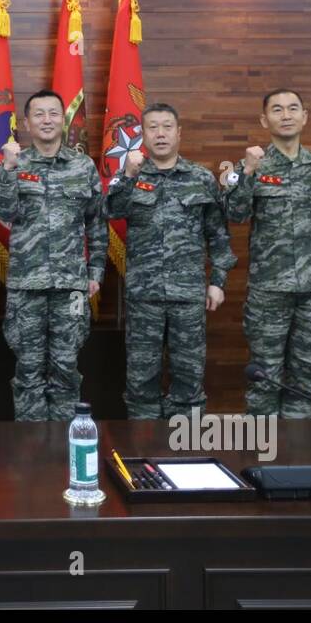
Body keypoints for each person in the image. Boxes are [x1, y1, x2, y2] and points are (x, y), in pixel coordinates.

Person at [223, 89, 311, 418]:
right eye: (277, 110)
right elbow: (234, 213)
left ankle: (297, 454)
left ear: (305, 117)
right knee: (265, 376)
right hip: (268, 290)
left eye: (293, 109)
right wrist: (249, 172)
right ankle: (261, 458)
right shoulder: (249, 165)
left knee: (305, 374)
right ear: (263, 119)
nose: (286, 115)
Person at [105, 102, 236, 418]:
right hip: (144, 297)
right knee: (141, 380)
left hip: (188, 297)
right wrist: (127, 175)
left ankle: (184, 452)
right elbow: (112, 210)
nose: (160, 133)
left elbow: (218, 235)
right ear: (143, 135)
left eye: (167, 126)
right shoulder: (131, 176)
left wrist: (218, 282)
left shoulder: (200, 178)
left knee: (188, 380)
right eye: (152, 127)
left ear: (178, 132)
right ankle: (143, 448)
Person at [0, 90, 108, 422]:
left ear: (63, 120)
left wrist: (95, 273)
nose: (46, 120)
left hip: (71, 288)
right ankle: (31, 454)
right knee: (28, 370)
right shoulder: (15, 163)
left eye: (53, 113)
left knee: (66, 367)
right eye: (38, 114)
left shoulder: (83, 166)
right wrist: (9, 170)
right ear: (26, 123)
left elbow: (97, 224)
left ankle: (64, 446)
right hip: (27, 287)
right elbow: (1, 210)